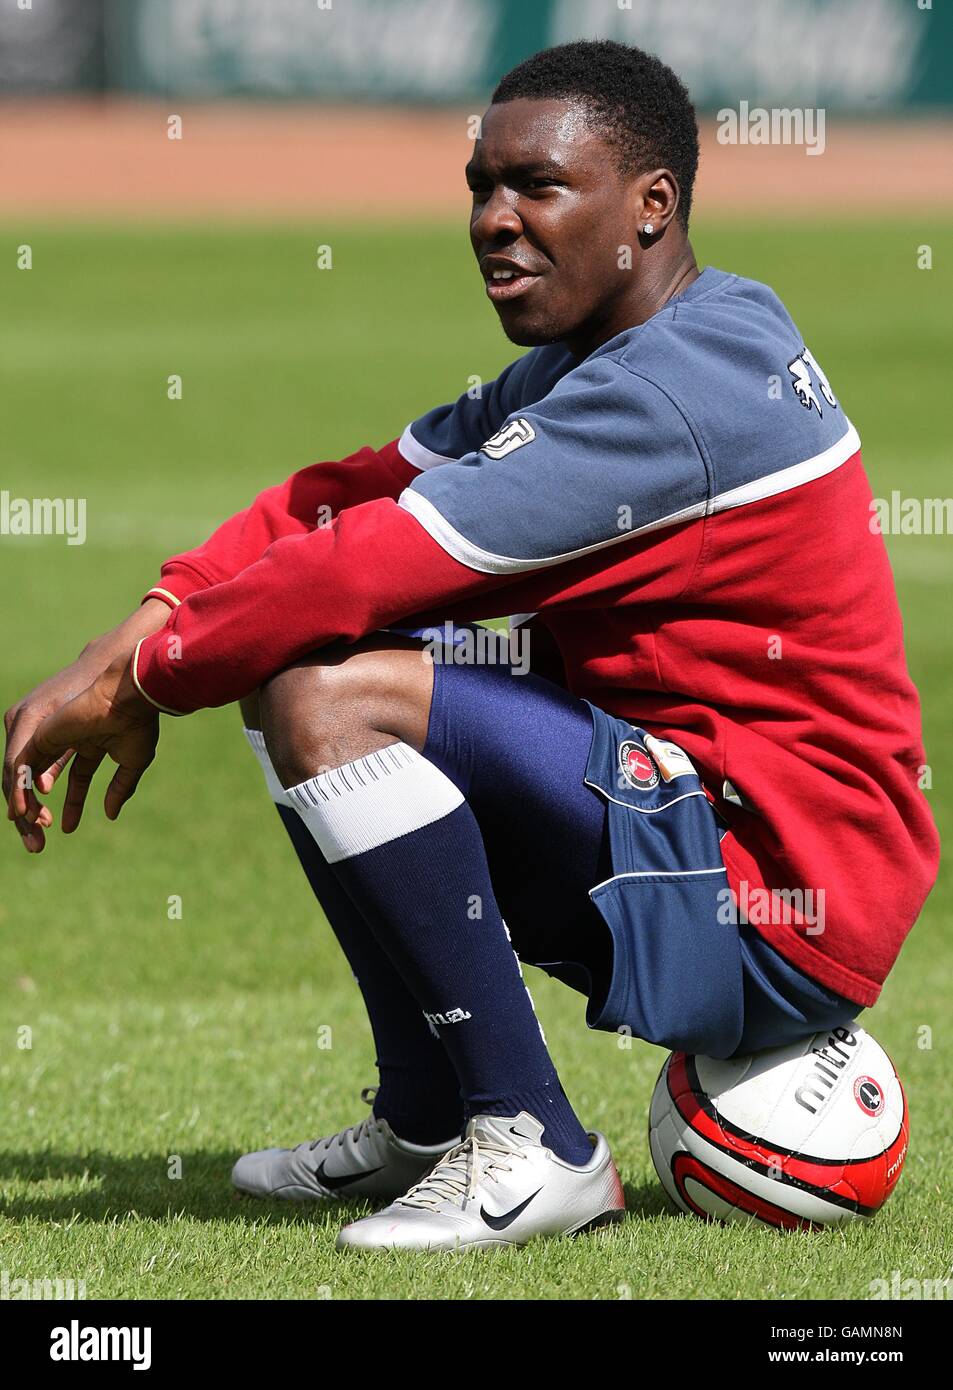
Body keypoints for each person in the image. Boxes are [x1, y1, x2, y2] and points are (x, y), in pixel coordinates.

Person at [5, 41, 938, 1251]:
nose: (493, 220)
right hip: (697, 823)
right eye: (477, 186)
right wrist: (142, 625)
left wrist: (144, 679)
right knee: (300, 663)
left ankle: (535, 1144)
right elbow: (342, 499)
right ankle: (431, 1114)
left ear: (650, 205)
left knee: (329, 686)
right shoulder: (650, 339)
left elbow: (360, 568)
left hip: (772, 902)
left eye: (536, 187)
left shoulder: (660, 399)